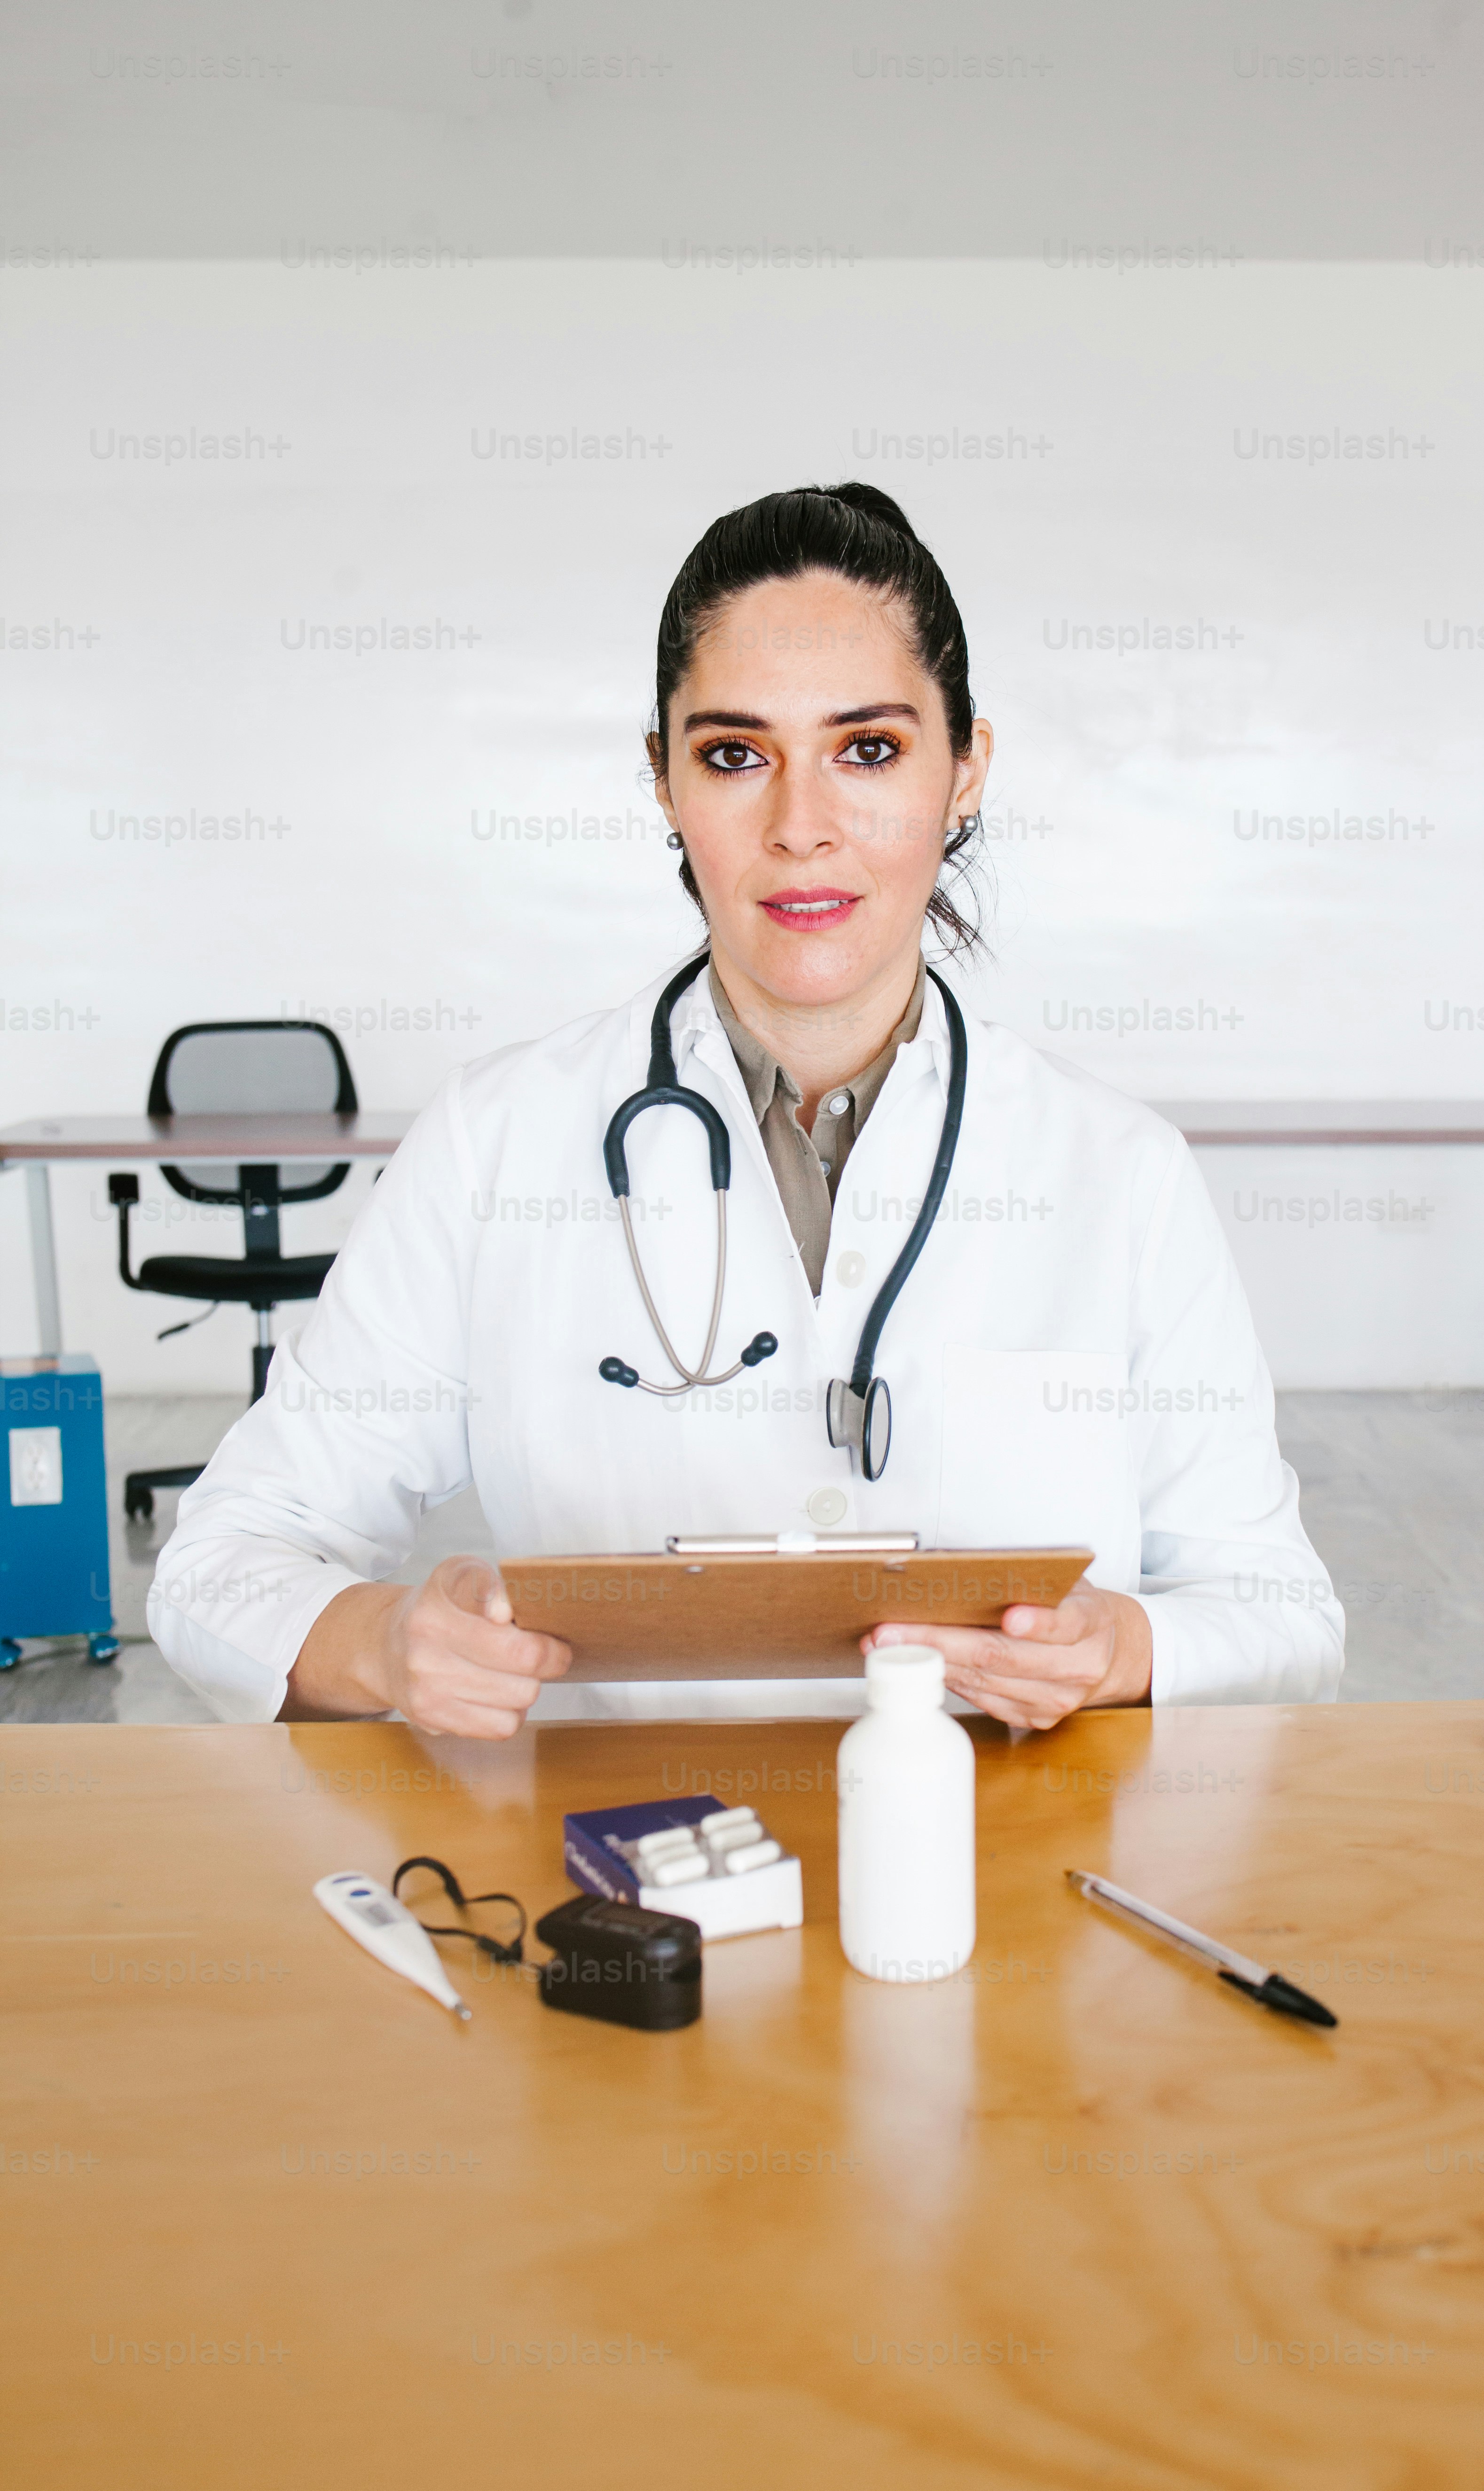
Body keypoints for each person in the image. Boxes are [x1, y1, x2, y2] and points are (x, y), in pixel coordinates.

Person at [149, 482, 1342, 1735]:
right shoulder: (496, 1144)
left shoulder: (1120, 1171)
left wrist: (1124, 1646)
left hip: (1011, 1855)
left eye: (867, 751)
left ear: (966, 770)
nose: (800, 828)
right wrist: (386, 1647)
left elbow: (1284, 1616)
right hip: (624, 1854)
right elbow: (221, 1564)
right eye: (734, 756)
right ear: (664, 782)